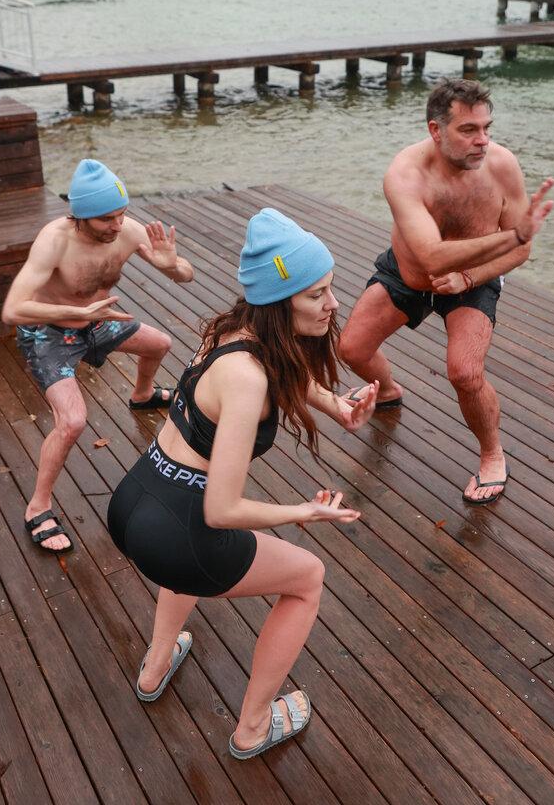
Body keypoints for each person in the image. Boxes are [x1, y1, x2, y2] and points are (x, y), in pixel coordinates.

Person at [107, 208, 378, 760]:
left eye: (330, 290)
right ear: (280, 300)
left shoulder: (229, 330)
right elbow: (222, 509)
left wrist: (336, 406)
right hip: (182, 527)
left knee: (184, 555)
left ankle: (156, 665)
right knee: (307, 577)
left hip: (134, 500)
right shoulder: (249, 379)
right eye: (316, 295)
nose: (332, 306)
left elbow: (281, 372)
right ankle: (254, 726)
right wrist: (304, 512)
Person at [339, 77, 554, 506]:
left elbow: (522, 250)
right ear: (436, 131)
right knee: (352, 349)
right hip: (409, 273)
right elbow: (433, 256)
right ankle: (388, 389)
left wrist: (471, 277)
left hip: (472, 281)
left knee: (464, 372)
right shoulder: (404, 174)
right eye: (469, 131)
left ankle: (492, 455)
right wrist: (514, 234)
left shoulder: (502, 165)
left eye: (487, 128)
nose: (483, 141)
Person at [2, 159, 194, 553]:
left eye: (122, 214)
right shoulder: (54, 240)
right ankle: (38, 506)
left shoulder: (126, 231)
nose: (119, 226)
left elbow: (187, 274)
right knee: (72, 421)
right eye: (108, 218)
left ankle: (141, 395)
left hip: (97, 321)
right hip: (49, 333)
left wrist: (172, 266)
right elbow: (13, 309)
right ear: (80, 216)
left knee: (159, 343)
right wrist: (75, 313)